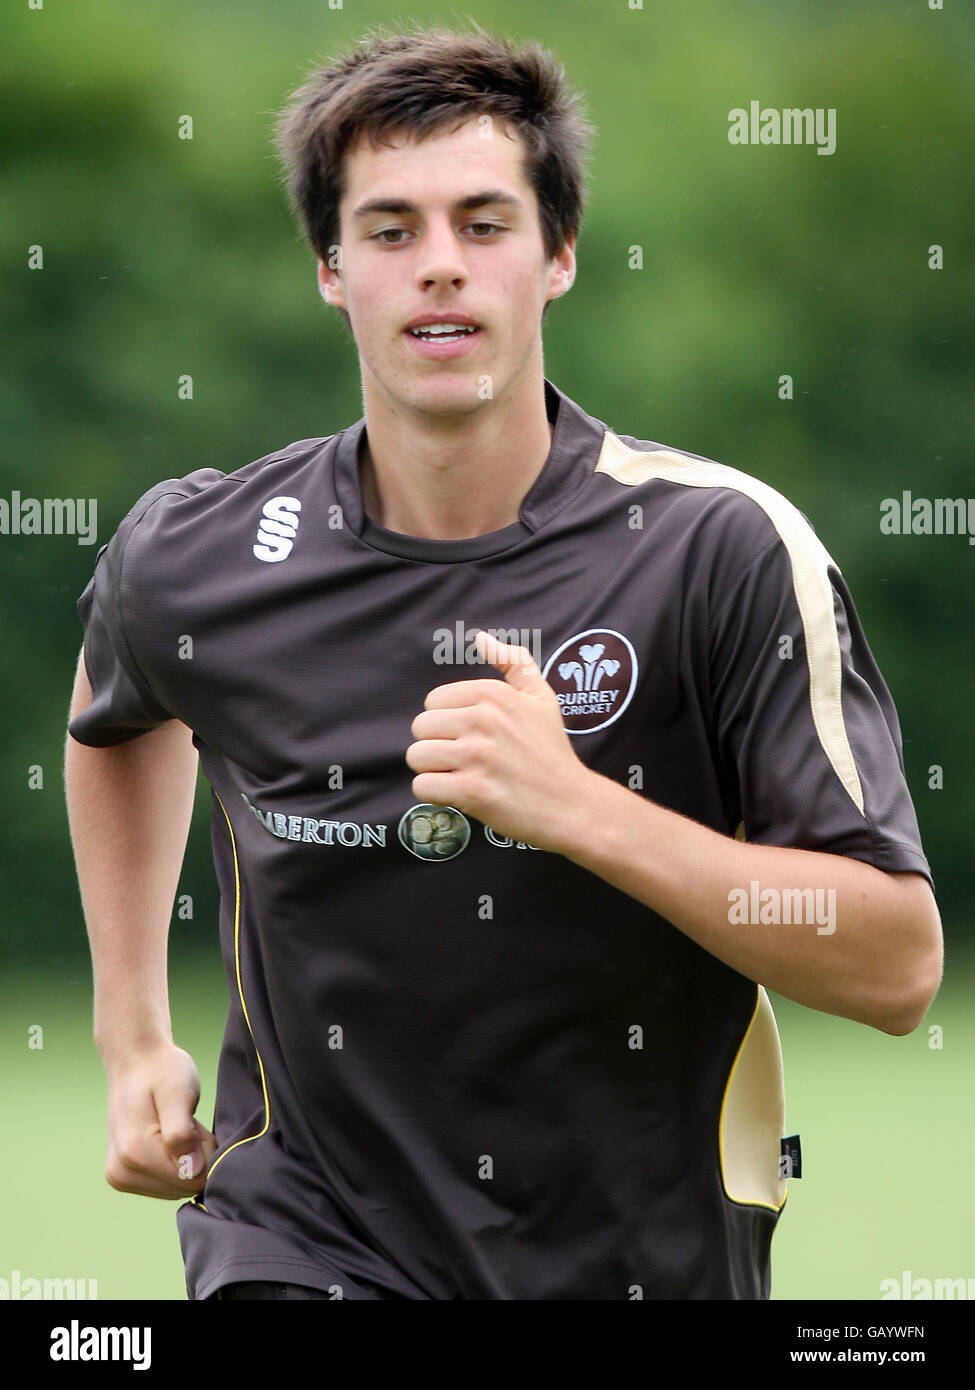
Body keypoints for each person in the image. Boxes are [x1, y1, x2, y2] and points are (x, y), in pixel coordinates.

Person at [64, 23, 942, 1301]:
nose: (439, 270)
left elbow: (896, 962)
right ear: (329, 269)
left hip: (643, 1253)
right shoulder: (200, 555)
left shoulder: (720, 551)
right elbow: (116, 710)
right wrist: (129, 1033)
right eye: (389, 230)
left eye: (484, 224)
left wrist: (577, 807)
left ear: (559, 256)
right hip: (302, 1235)